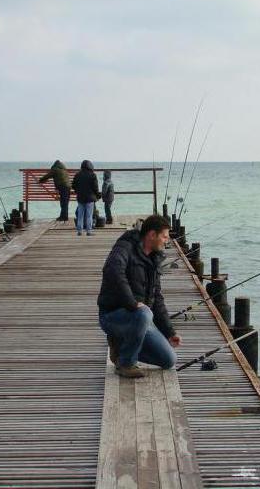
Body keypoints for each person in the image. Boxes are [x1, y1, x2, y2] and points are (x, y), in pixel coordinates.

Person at [97, 214, 181, 378]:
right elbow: (113, 271)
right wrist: (132, 303)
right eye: (164, 237)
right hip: (112, 316)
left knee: (169, 360)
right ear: (151, 235)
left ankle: (121, 349)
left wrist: (170, 332)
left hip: (140, 319)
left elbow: (157, 299)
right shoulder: (125, 247)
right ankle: (126, 364)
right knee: (145, 313)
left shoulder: (154, 259)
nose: (167, 241)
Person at [71, 160, 100, 236]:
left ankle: (79, 231)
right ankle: (89, 231)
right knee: (89, 215)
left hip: (80, 198)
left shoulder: (77, 175)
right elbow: (95, 188)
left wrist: (78, 191)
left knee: (80, 215)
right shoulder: (93, 175)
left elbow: (73, 185)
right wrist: (97, 195)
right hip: (90, 198)